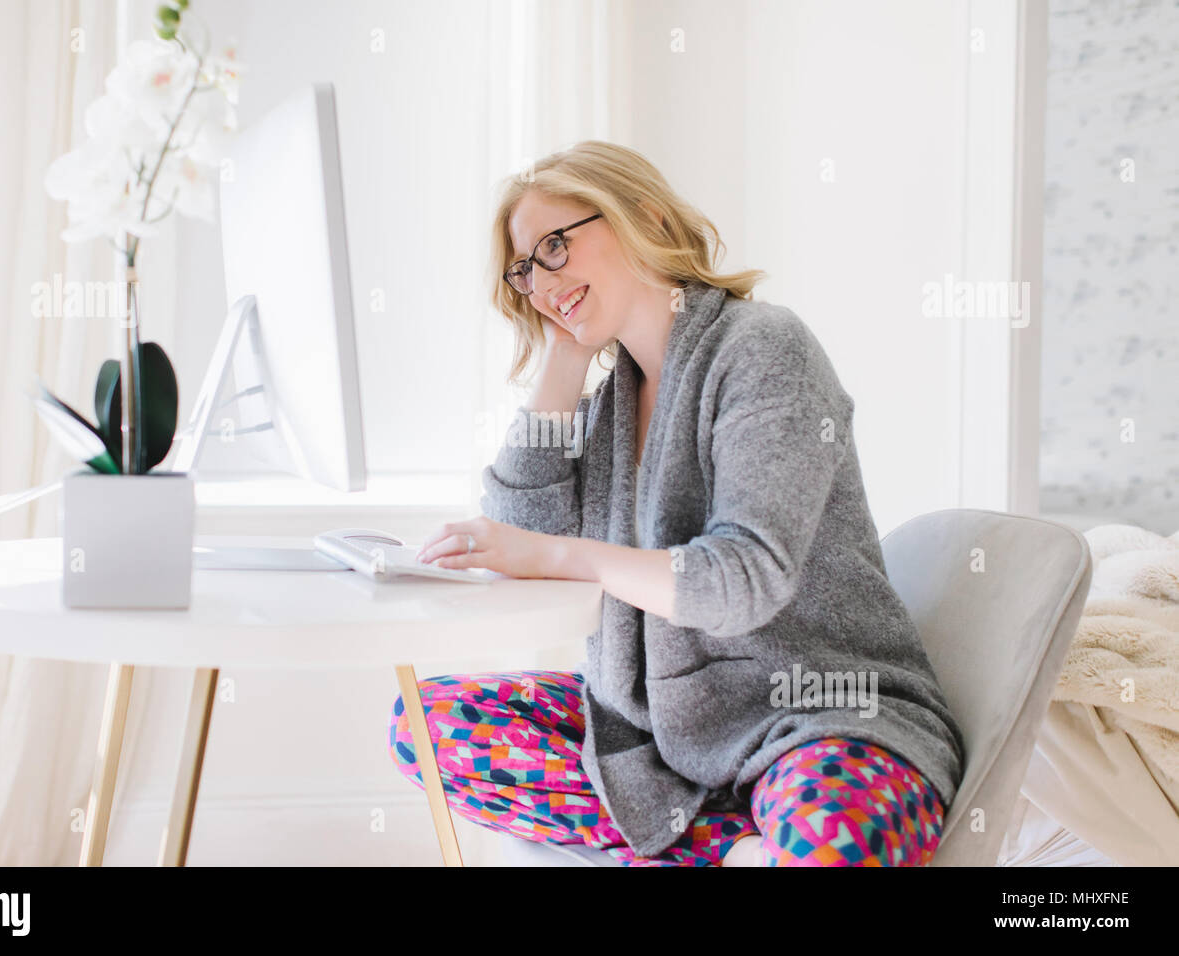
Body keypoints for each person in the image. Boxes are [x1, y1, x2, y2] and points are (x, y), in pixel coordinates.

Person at [388, 140, 965, 866]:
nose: (539, 280)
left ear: (645, 216)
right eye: (525, 269)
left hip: (819, 719)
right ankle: (731, 850)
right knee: (427, 722)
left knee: (832, 841)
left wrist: (558, 555)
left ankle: (717, 845)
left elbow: (741, 580)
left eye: (556, 246)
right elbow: (517, 535)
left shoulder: (764, 348)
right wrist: (564, 353)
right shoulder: (609, 407)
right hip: (661, 738)